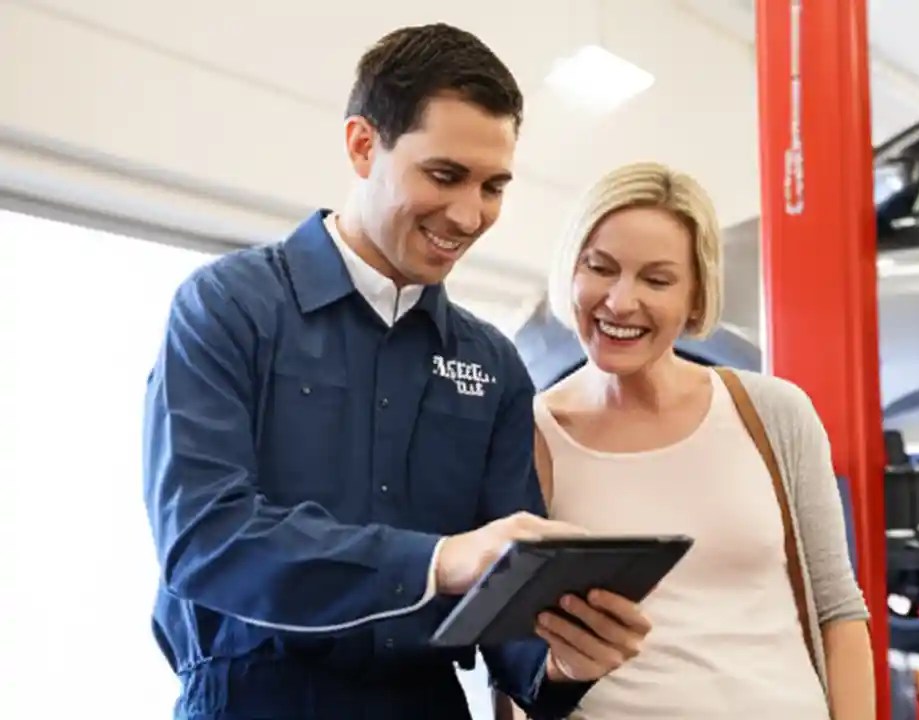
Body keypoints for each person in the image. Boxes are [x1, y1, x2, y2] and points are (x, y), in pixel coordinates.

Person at [141, 24, 652, 720]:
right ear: (362, 145)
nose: (470, 215)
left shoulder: (491, 365)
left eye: (493, 186)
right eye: (444, 176)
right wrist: (437, 560)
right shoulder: (228, 308)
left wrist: (560, 662)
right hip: (250, 697)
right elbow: (204, 538)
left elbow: (507, 608)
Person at [528, 161, 877, 718]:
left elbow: (838, 610)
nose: (620, 301)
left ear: (695, 297)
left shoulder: (773, 413)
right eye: (601, 268)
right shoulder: (533, 437)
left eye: (657, 280)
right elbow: (517, 658)